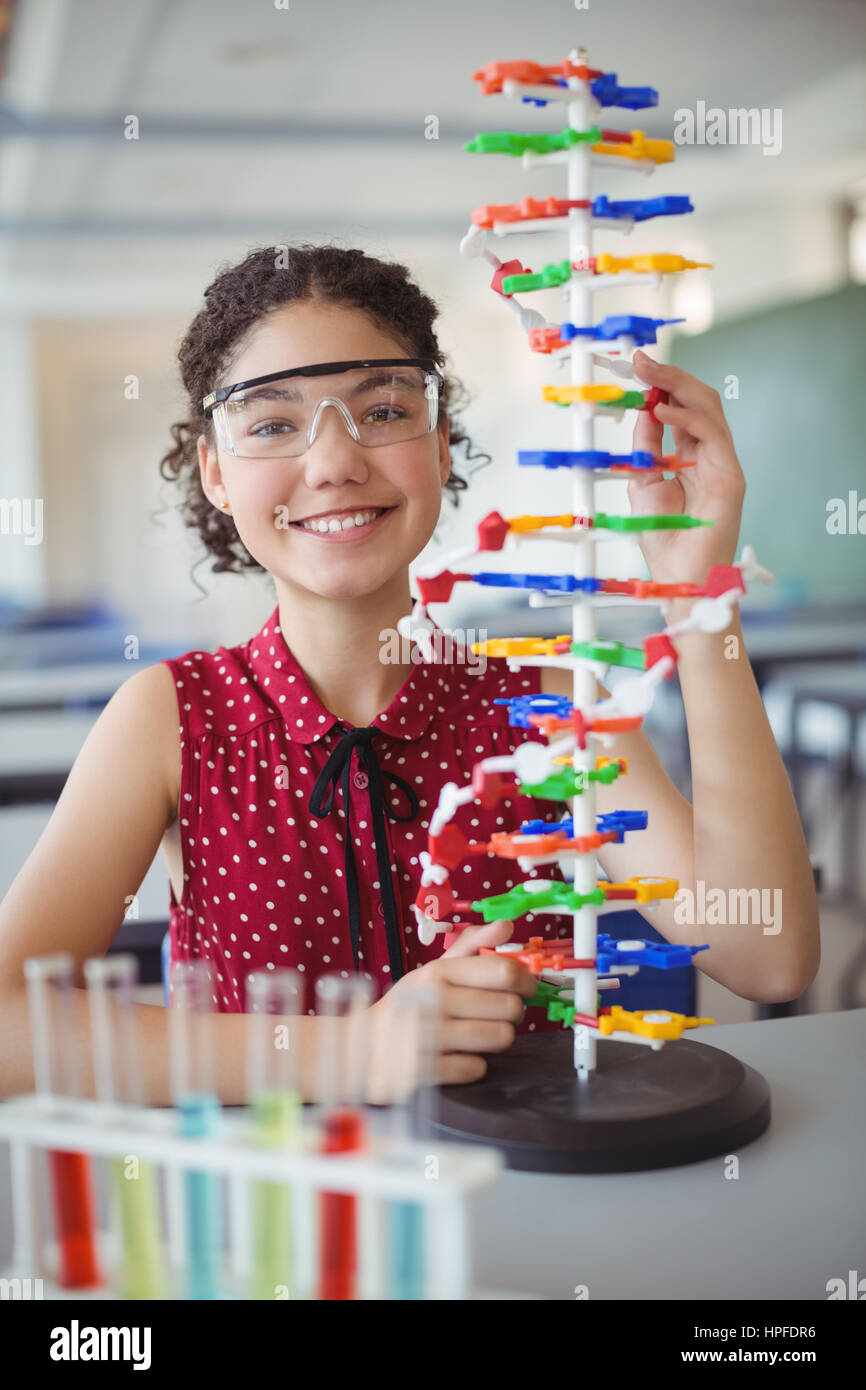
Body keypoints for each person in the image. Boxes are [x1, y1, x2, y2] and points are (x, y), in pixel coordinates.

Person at [0, 243, 819, 1105]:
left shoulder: (546, 707)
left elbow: (767, 953)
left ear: (440, 440)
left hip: (531, 1212)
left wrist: (699, 602)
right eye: (273, 423)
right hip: (280, 1223)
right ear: (215, 471)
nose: (333, 462)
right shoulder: (169, 719)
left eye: (382, 409)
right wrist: (350, 1055)